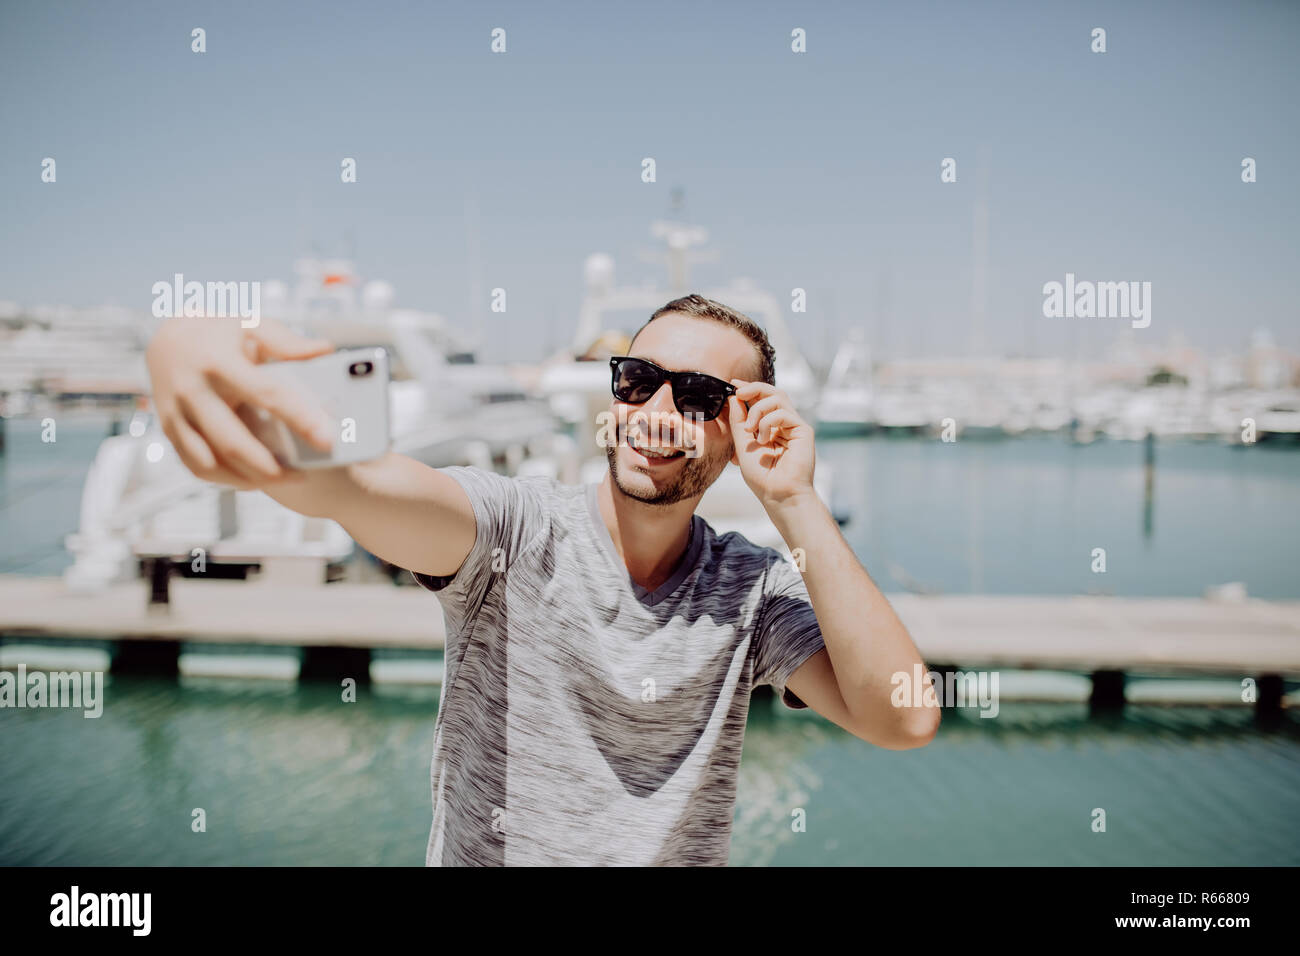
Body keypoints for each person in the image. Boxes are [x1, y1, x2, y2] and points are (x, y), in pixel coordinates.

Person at [145, 293, 939, 865]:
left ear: (737, 434)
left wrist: (796, 499)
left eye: (697, 396)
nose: (657, 410)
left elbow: (901, 718)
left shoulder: (751, 590)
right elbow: (350, 487)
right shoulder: (511, 530)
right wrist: (194, 345)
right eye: (637, 379)